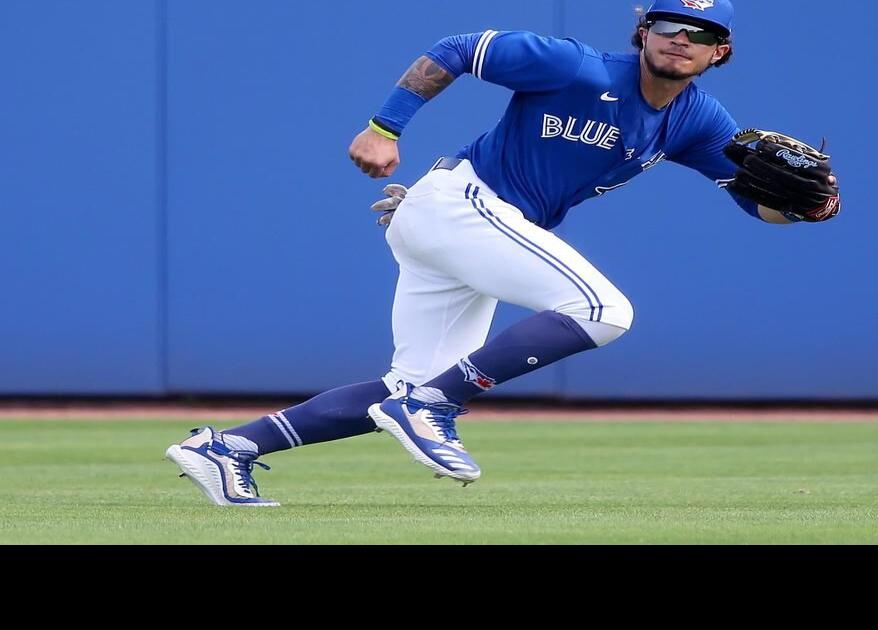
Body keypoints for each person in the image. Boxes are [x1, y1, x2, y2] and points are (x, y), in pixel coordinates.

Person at [165, 0, 839, 507]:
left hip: (461, 223)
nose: (682, 40)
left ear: (722, 52)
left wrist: (811, 207)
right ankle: (430, 411)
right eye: (668, 26)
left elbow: (755, 200)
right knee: (604, 309)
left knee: (407, 384)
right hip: (461, 205)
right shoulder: (576, 67)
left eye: (703, 35)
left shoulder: (697, 121)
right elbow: (460, 47)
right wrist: (382, 125)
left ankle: (228, 448)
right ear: (643, 33)